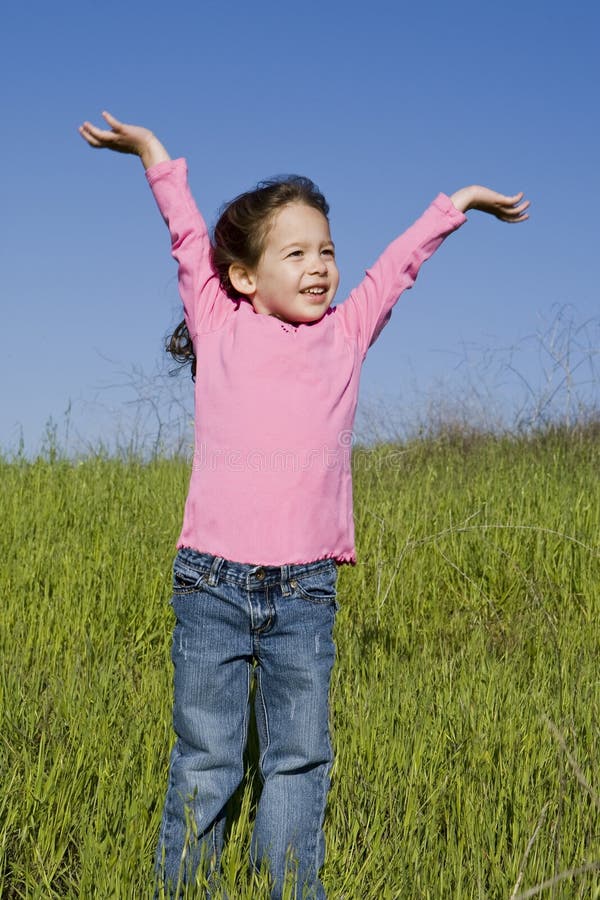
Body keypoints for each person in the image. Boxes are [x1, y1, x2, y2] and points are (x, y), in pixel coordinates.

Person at [79, 111, 529, 898]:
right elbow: (189, 240)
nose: (321, 266)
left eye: (327, 251)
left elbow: (395, 269)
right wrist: (154, 156)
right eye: (297, 253)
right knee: (208, 756)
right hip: (210, 586)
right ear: (247, 276)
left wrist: (454, 205)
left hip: (306, 593)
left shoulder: (345, 336)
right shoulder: (218, 325)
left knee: (296, 758)